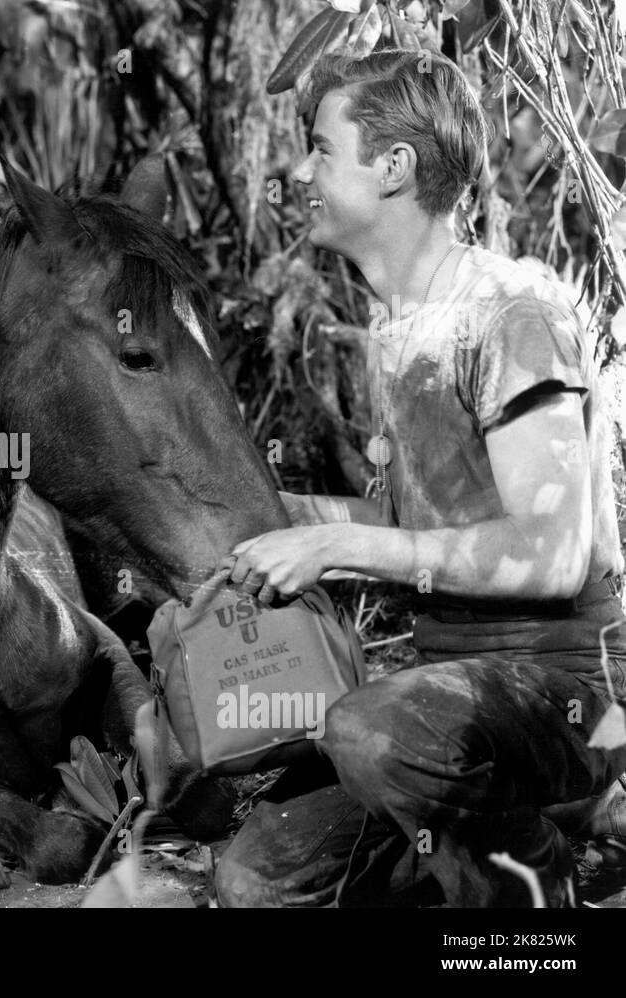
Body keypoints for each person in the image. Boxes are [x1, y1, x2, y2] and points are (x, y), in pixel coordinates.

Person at [215, 49, 626, 907]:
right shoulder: (399, 327)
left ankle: (537, 887)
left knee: (368, 730)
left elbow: (549, 555)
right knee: (256, 877)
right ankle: (528, 838)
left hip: (569, 695)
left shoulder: (509, 314)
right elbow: (420, 524)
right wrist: (269, 519)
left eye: (322, 149)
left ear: (394, 169)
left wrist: (335, 544)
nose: (302, 172)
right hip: (449, 709)